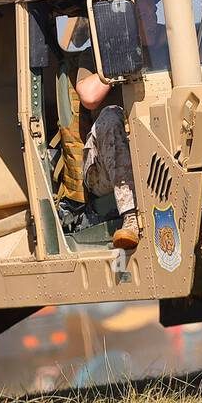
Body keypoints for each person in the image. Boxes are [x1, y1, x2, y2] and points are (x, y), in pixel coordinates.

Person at [72, 19, 139, 250]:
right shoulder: (96, 56)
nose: (149, 13)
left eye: (151, 6)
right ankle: (131, 216)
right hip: (100, 168)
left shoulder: (163, 45)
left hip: (145, 145)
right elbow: (89, 97)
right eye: (141, 9)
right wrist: (119, 56)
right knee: (111, 116)